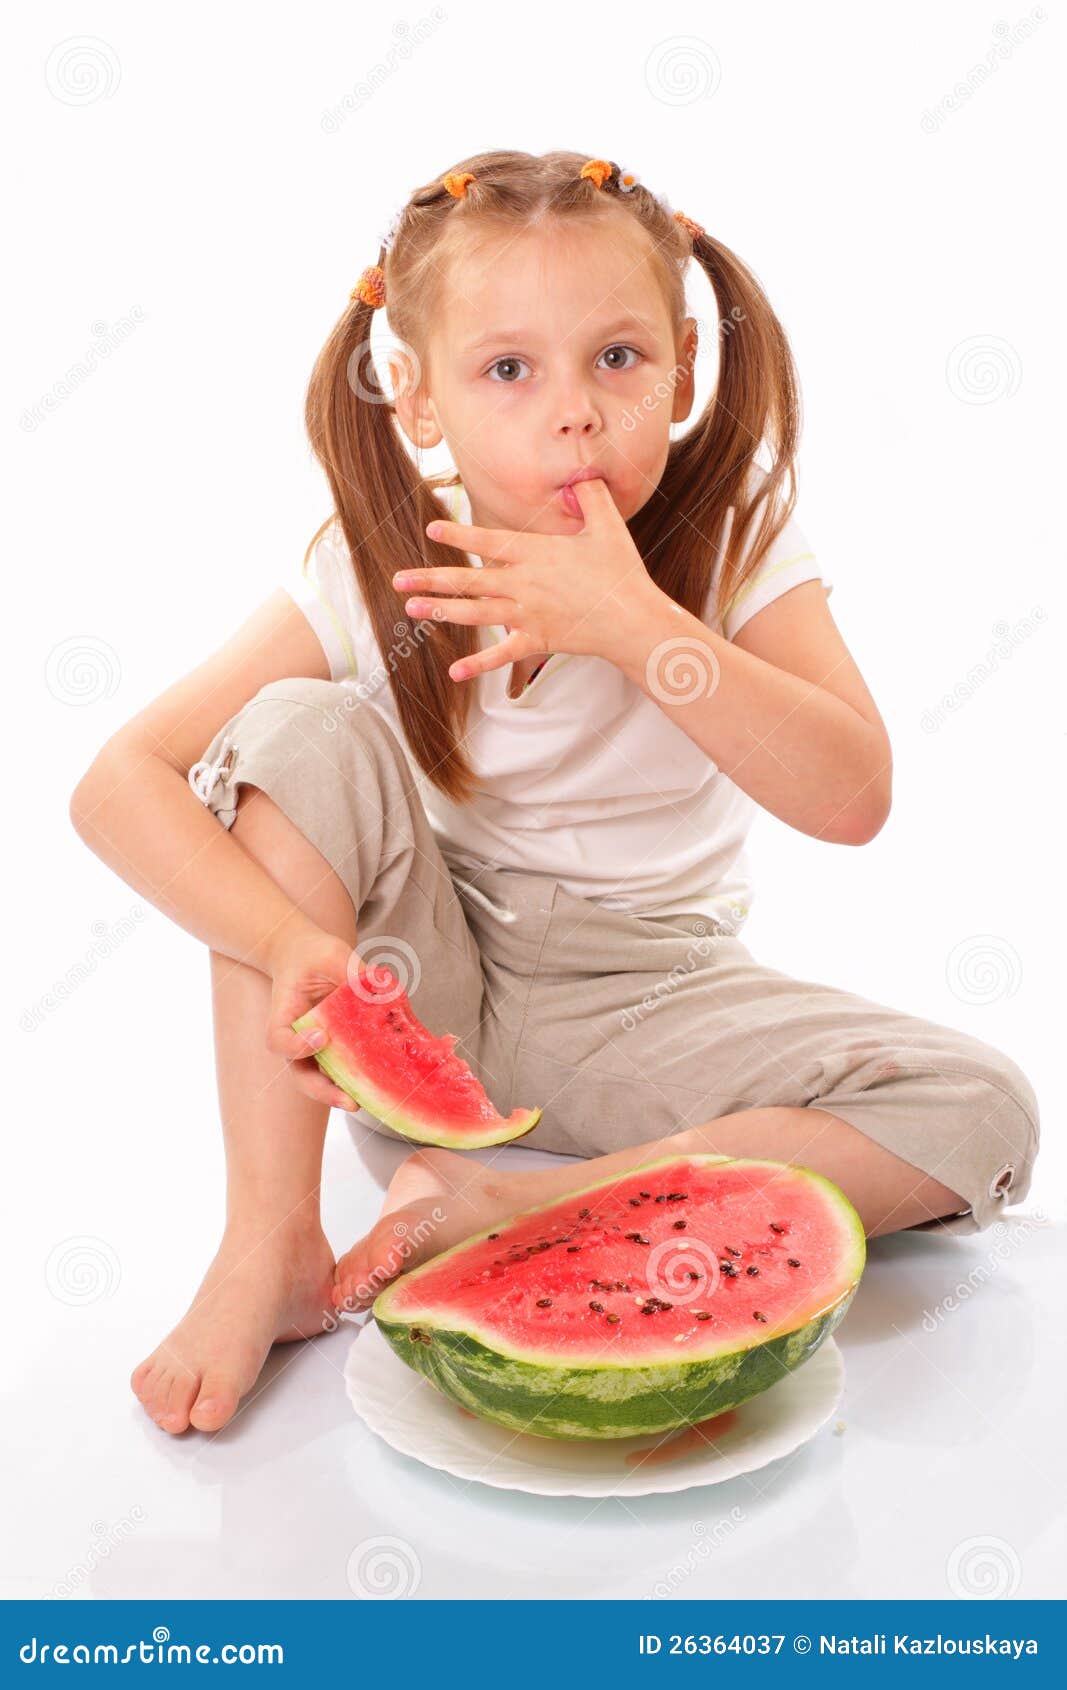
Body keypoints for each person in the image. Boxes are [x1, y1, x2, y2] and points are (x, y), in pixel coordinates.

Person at [69, 150, 1039, 1437]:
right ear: (415, 398)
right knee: (292, 727)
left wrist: (639, 627)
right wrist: (292, 943)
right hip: (428, 968)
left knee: (984, 1105)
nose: (573, 412)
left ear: (684, 369)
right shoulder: (380, 566)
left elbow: (853, 794)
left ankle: (510, 1202)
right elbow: (114, 785)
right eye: (508, 369)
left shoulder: (732, 532)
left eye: (618, 360)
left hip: (660, 996)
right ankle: (270, 1241)